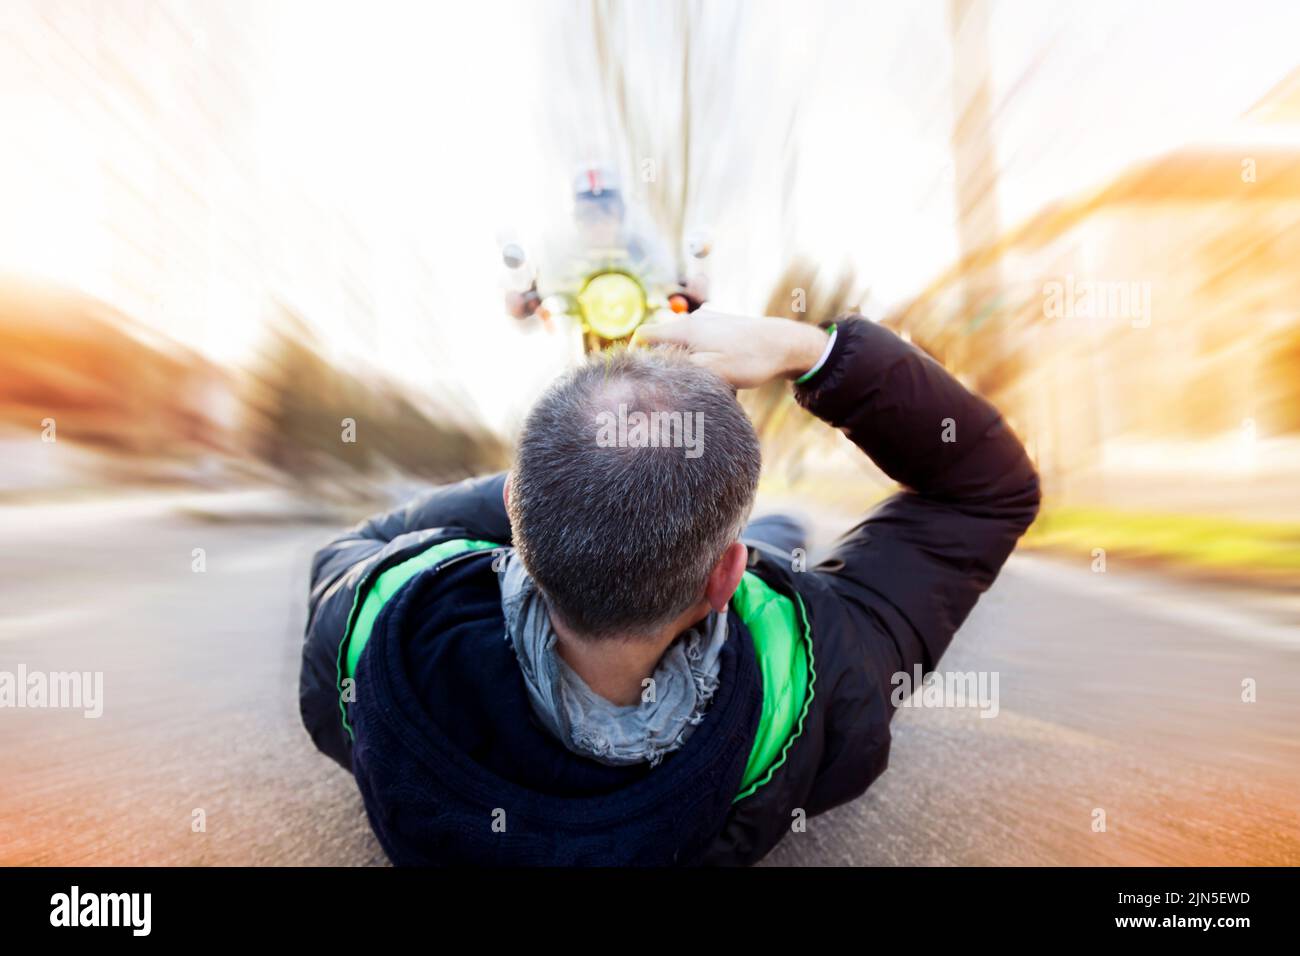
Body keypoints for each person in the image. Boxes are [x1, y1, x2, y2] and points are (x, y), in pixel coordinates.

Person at [299, 310, 1041, 865]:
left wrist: (573, 474)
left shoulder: (366, 630)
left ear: (516, 526)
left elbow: (356, 544)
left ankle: (761, 530)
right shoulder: (829, 679)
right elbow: (986, 489)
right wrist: (810, 351)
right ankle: (768, 532)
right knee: (777, 539)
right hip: (705, 568)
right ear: (726, 582)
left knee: (769, 538)